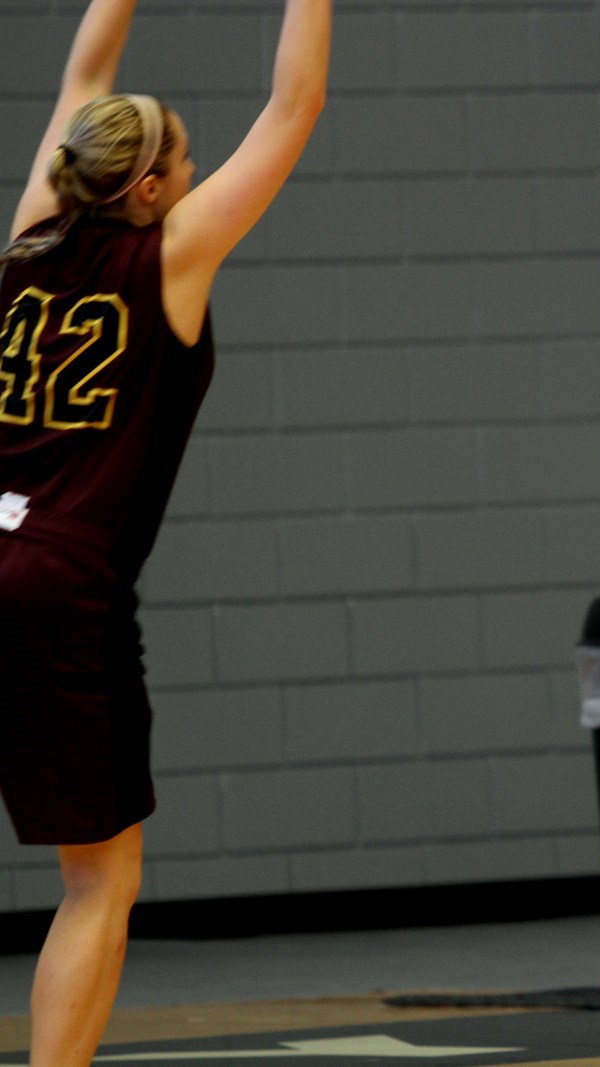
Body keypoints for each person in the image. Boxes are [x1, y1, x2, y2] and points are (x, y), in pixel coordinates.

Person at [0, 0, 328, 1062]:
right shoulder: (168, 258)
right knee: (101, 879)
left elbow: (83, 68)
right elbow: (294, 104)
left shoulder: (24, 240)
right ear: (147, 192)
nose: (194, 170)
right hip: (58, 586)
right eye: (183, 158)